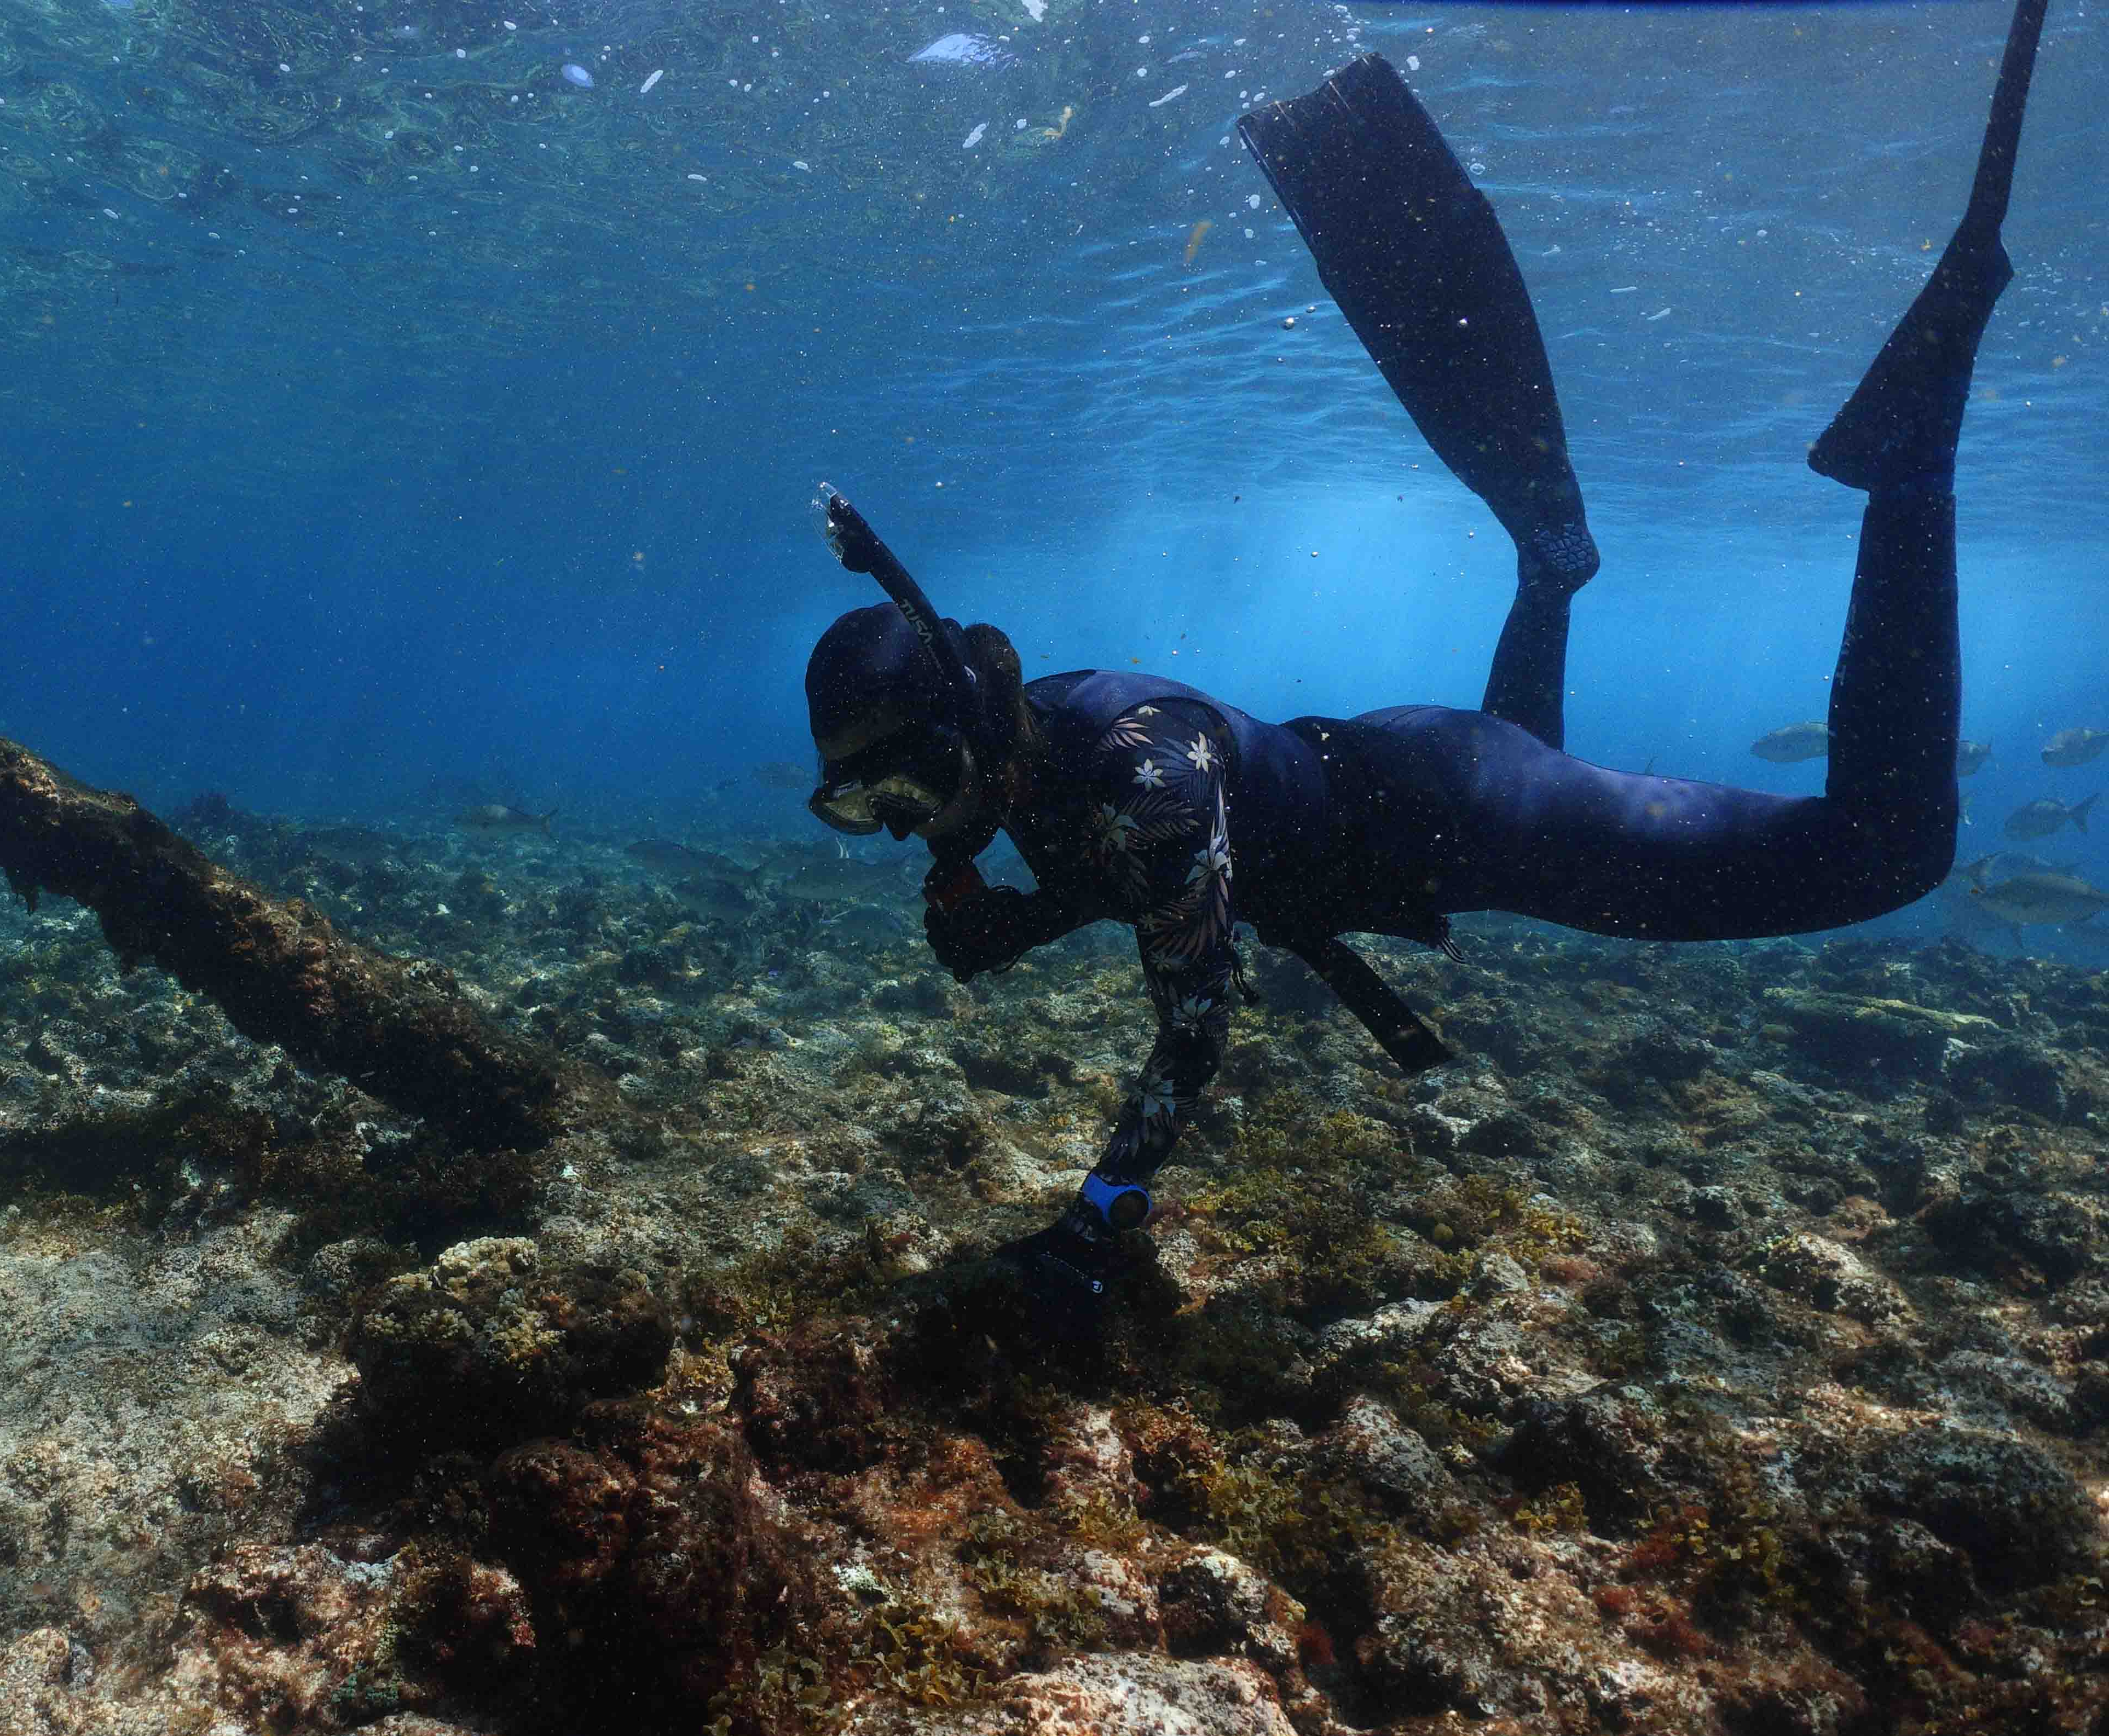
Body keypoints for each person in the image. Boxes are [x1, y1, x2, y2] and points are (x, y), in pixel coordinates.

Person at [801, 0, 2047, 1307]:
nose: (894, 830)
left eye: (897, 794)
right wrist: (986, 915)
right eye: (857, 808)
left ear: (957, 734)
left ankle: (1910, 476)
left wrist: (1095, 1225)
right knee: (1557, 758)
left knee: (1884, 852)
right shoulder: (1012, 756)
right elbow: (1093, 883)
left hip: (1463, 811)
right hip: (1390, 769)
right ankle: (1552, 563)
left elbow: (1195, 1016)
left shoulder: (1133, 771)